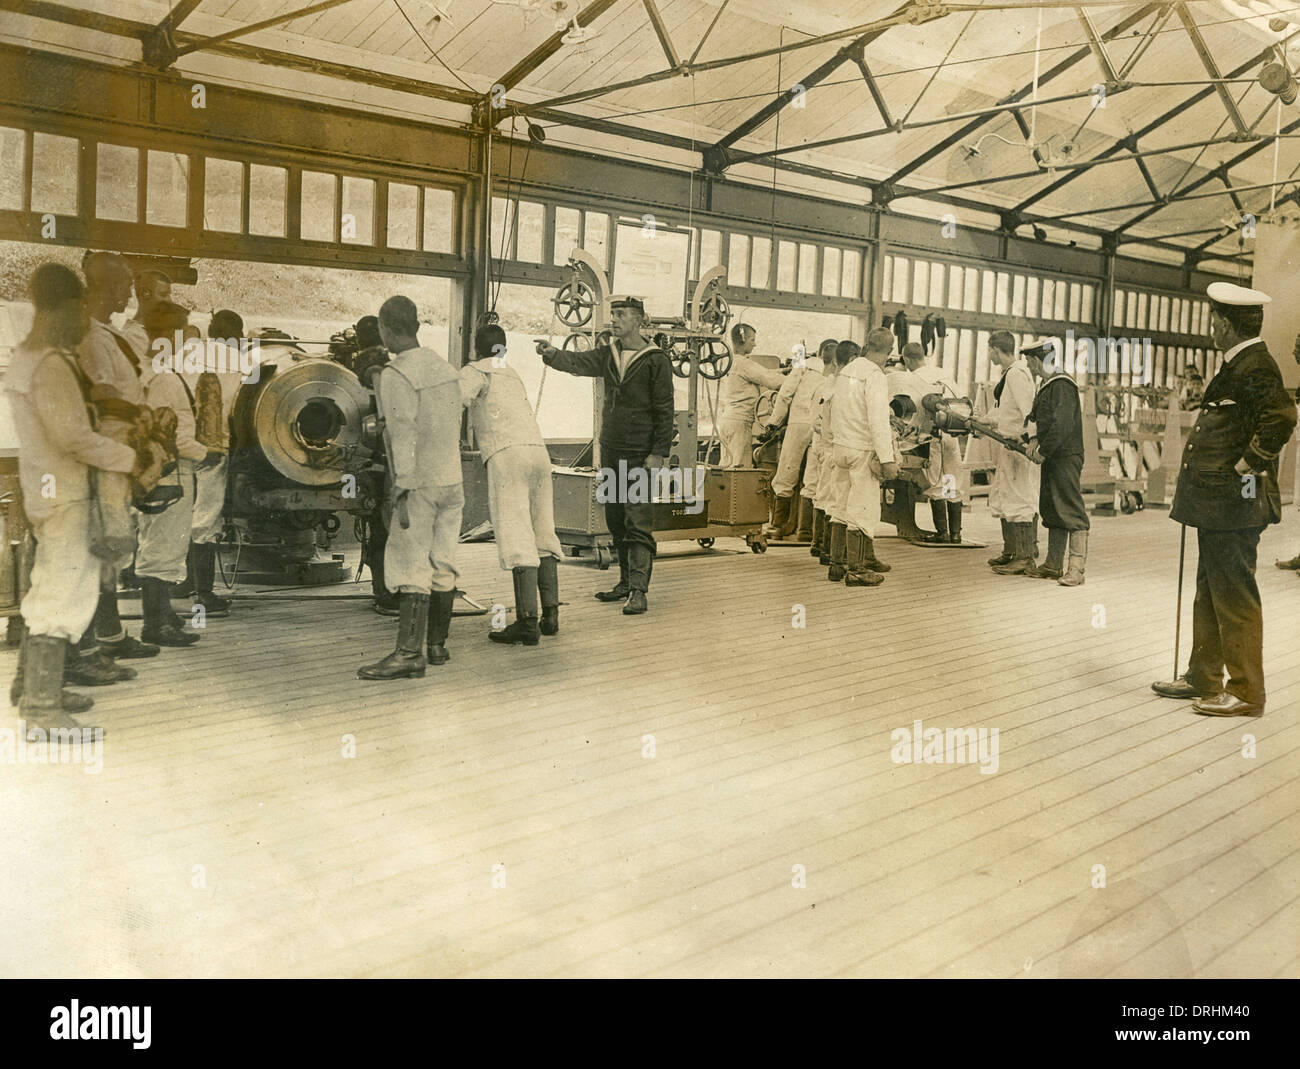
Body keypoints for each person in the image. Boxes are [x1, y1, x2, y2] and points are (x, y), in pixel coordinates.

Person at [4, 264, 140, 736]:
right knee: (64, 597)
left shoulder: (26, 358)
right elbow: (74, 438)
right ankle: (41, 711)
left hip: (44, 489)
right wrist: (130, 457)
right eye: (79, 308)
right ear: (62, 307)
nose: (84, 319)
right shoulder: (52, 364)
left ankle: (31, 687)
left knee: (47, 588)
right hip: (69, 494)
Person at [1152, 282, 1297, 718]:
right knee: (1209, 590)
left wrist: (1245, 465)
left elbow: (1283, 417)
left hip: (1236, 501)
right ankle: (1203, 675)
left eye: (1215, 318)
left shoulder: (1255, 365)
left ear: (1227, 324)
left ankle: (1248, 691)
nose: (1212, 325)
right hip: (1218, 504)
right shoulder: (1240, 362)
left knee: (1233, 594)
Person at [537, 295, 674, 615]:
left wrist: (658, 453)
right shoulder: (608, 353)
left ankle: (639, 591)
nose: (614, 319)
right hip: (612, 450)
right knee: (615, 517)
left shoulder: (656, 359)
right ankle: (625, 582)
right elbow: (579, 363)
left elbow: (665, 410)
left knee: (638, 521)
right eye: (613, 314)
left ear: (638, 320)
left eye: (621, 314)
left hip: (641, 455)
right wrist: (552, 354)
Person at [358, 296, 463, 679]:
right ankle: (436, 646)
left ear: (385, 328)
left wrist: (398, 487)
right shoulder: (445, 367)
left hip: (417, 482)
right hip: (451, 479)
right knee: (443, 559)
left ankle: (407, 654)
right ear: (416, 324)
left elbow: (401, 434)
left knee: (409, 562)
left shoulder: (397, 375)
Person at [73, 252, 158, 681]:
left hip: (120, 452)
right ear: (106, 285)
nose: (129, 292)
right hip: (105, 452)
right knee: (99, 549)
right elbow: (100, 394)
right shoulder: (89, 335)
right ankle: (86, 649)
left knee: (112, 549)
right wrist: (141, 417)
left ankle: (109, 634)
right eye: (125, 284)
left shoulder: (106, 331)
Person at [461, 324, 562, 646]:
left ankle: (527, 624)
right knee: (543, 531)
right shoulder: (512, 372)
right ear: (504, 348)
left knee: (517, 533)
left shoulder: (475, 370)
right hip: (538, 454)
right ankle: (550, 616)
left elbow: (454, 403)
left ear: (476, 349)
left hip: (508, 455)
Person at [135, 302, 219, 647]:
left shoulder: (153, 372)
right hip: (170, 472)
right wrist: (207, 453)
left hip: (160, 471)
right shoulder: (165, 379)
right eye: (181, 331)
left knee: (162, 542)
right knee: (163, 546)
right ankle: (155, 624)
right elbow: (172, 434)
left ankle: (163, 614)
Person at [180, 309, 246, 616]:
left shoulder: (189, 350)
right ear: (237, 335)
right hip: (212, 446)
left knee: (182, 510)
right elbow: (241, 406)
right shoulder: (237, 359)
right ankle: (204, 594)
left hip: (181, 442)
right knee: (205, 516)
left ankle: (184, 581)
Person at [831, 329, 899, 587]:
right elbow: (878, 421)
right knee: (863, 508)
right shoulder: (875, 376)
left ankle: (837, 565)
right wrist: (887, 458)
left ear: (866, 345)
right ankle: (857, 570)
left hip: (841, 447)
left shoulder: (847, 370)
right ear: (889, 352)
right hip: (861, 450)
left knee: (840, 505)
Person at [1020, 338, 1088, 584]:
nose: (1028, 367)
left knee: (1070, 509)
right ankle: (1053, 564)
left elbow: (1063, 424)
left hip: (1065, 456)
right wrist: (1033, 439)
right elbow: (1036, 416)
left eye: (1029, 362)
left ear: (1038, 360)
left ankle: (1077, 570)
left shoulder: (1062, 385)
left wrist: (1043, 450)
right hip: (1053, 456)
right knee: (1051, 506)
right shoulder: (1047, 385)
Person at [890, 342, 968, 544]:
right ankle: (956, 534)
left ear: (906, 360)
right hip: (953, 432)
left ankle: (942, 533)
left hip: (934, 437)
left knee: (936, 482)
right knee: (952, 481)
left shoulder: (914, 378)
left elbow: (916, 411)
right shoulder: (944, 373)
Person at [350, 315, 399, 615]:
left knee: (376, 528)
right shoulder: (382, 366)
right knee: (385, 529)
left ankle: (382, 590)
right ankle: (387, 591)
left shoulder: (363, 366)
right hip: (385, 459)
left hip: (367, 460)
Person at [762, 339, 829, 539]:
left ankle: (777, 527)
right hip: (820, 427)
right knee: (812, 478)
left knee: (786, 473)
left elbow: (784, 395)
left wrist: (773, 423)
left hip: (799, 423)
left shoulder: (803, 367)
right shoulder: (835, 373)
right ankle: (805, 531)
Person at [986, 330, 1041, 574]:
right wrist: (984, 420)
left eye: (990, 350)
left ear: (996, 350)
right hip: (1005, 446)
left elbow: (1029, 411)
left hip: (1017, 448)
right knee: (1004, 496)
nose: (989, 355)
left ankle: (1025, 557)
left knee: (1019, 499)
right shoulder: (1009, 374)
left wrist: (1027, 439)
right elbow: (1005, 410)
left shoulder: (1018, 375)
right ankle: (1010, 552)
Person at [716, 323, 788, 468]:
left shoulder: (730, 361)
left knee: (726, 466)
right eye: (752, 340)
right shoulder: (743, 363)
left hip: (727, 421)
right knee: (739, 470)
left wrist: (782, 371)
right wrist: (795, 378)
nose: (755, 344)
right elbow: (771, 381)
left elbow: (763, 373)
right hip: (740, 423)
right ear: (743, 340)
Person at [805, 341, 841, 563]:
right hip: (829, 446)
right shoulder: (835, 386)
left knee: (818, 492)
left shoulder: (819, 384)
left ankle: (816, 544)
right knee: (831, 496)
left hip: (816, 445)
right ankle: (826, 549)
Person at [119, 269, 171, 359]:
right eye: (164, 294)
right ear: (145, 294)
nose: (169, 300)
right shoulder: (133, 336)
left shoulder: (147, 333)